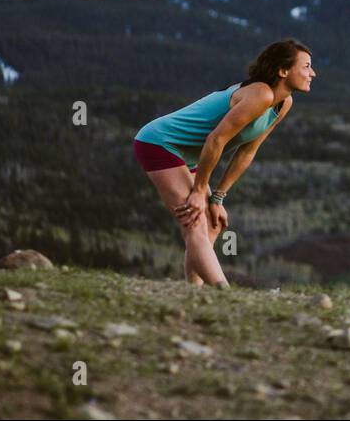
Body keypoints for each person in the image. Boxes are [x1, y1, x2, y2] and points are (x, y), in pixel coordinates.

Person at [131, 38, 314, 286]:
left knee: (212, 224)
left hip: (188, 155)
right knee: (194, 221)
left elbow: (247, 152)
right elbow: (216, 140)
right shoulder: (261, 94)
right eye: (305, 66)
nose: (312, 73)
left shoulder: (282, 104)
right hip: (160, 143)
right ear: (283, 71)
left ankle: (194, 292)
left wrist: (217, 198)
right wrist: (197, 191)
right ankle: (223, 293)